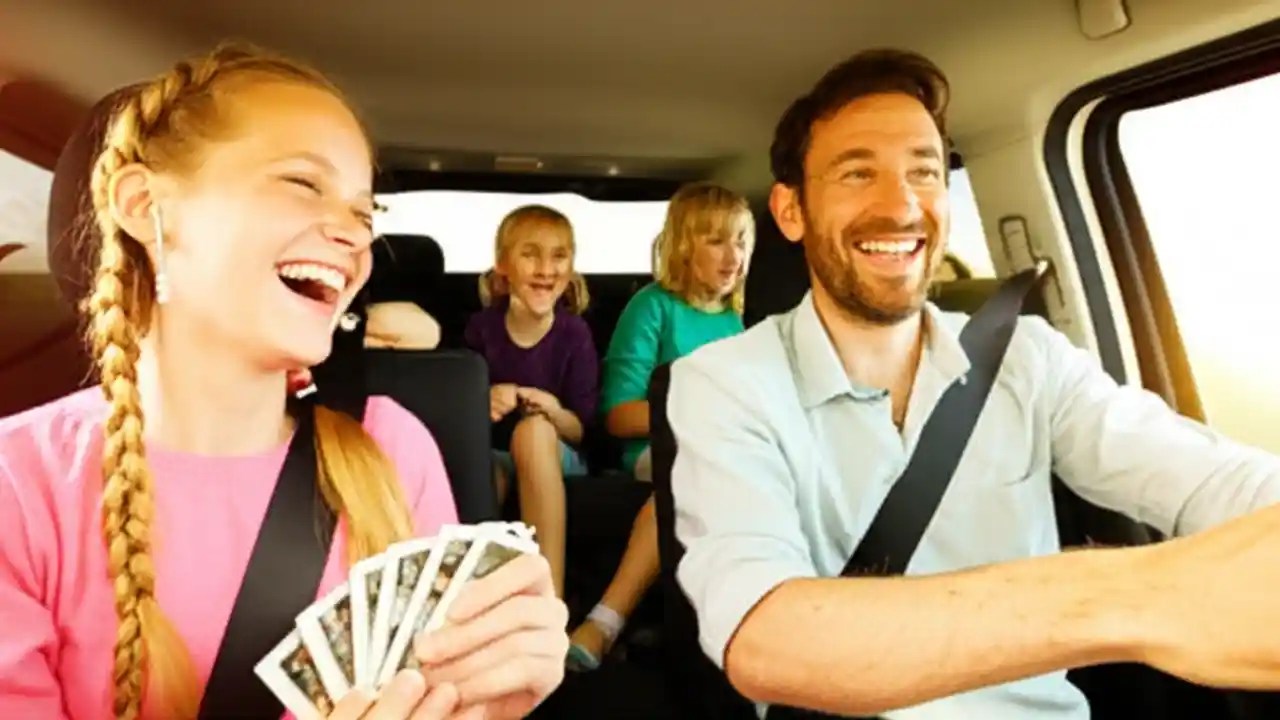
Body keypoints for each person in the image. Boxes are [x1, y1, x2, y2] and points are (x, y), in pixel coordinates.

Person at [667, 48, 1280, 718]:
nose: (900, 206)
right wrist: (1138, 597)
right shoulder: (723, 382)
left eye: (924, 173)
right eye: (856, 173)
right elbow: (765, 640)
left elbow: (1214, 481)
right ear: (791, 212)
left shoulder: (1028, 356)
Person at [0, 43, 567, 720]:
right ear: (146, 205)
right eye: (303, 183)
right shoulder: (17, 485)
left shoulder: (392, 445)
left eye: (366, 215)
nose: (355, 239)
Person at [568, 182, 753, 671]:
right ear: (683, 247)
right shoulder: (653, 307)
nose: (732, 255)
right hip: (660, 454)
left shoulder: (737, 321)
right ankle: (606, 621)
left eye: (739, 241)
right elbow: (620, 415)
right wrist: (699, 413)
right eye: (716, 241)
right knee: (690, 475)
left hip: (728, 455)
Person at [464, 205, 599, 599]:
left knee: (534, 432)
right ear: (503, 264)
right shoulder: (482, 328)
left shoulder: (575, 335)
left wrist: (552, 409)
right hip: (497, 454)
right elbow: (462, 422)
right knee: (485, 468)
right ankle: (472, 600)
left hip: (558, 454)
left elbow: (582, 430)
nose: (546, 269)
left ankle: (548, 602)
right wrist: (484, 401)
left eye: (559, 256)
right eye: (530, 254)